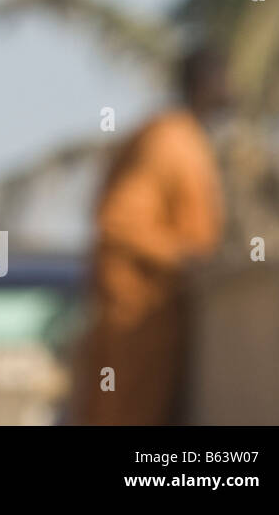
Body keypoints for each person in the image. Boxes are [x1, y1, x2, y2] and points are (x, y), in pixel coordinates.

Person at [72, 45, 228, 425]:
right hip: (135, 316)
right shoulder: (167, 141)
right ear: (205, 83)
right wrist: (181, 258)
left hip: (160, 317)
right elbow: (117, 221)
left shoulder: (189, 140)